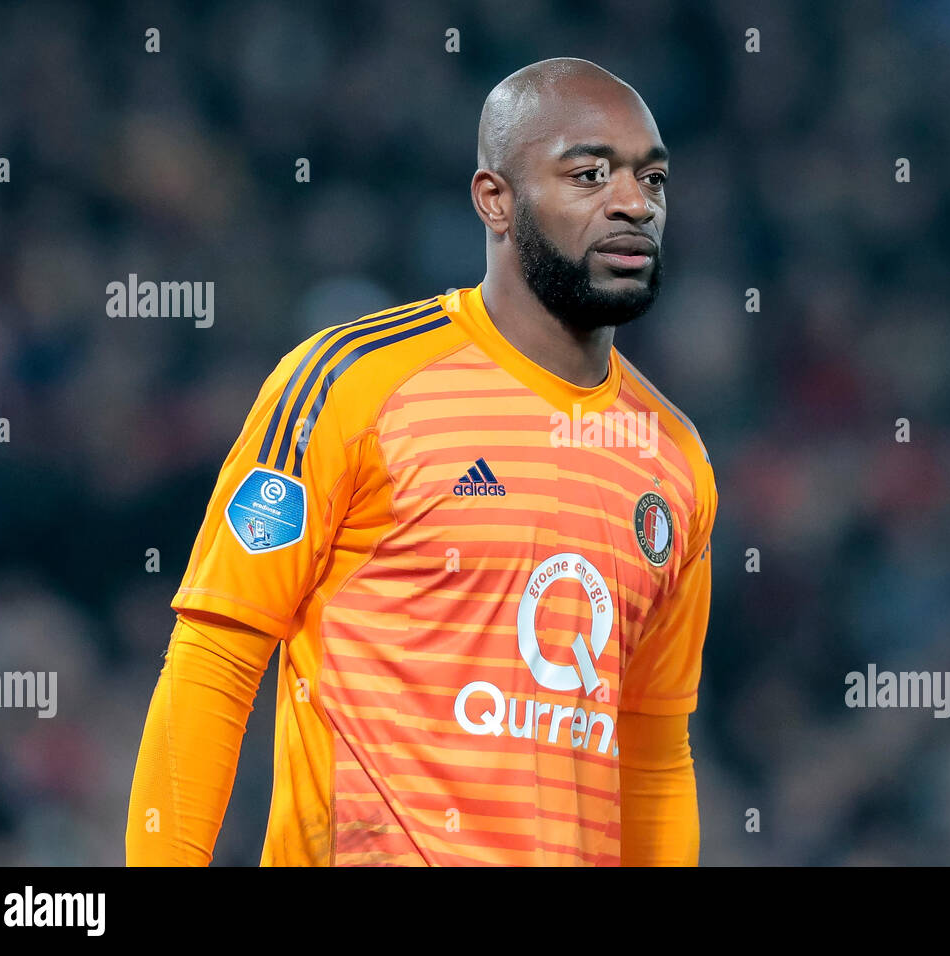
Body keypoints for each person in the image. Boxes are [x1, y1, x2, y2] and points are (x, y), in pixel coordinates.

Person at [126, 56, 717, 866]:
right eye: (588, 174)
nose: (632, 203)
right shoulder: (349, 383)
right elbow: (215, 660)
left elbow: (652, 751)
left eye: (652, 180)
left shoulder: (674, 459)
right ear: (495, 200)